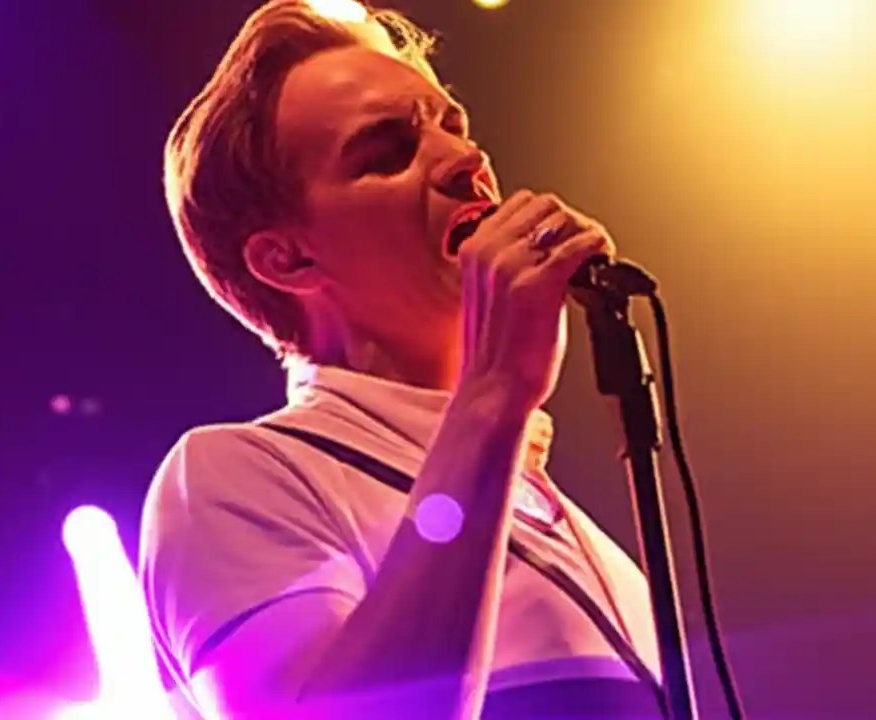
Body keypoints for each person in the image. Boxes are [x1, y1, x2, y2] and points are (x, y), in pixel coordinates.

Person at [138, 1, 664, 718]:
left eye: (453, 126)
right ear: (287, 258)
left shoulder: (575, 527)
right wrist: (492, 398)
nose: (465, 161)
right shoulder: (233, 479)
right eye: (387, 153)